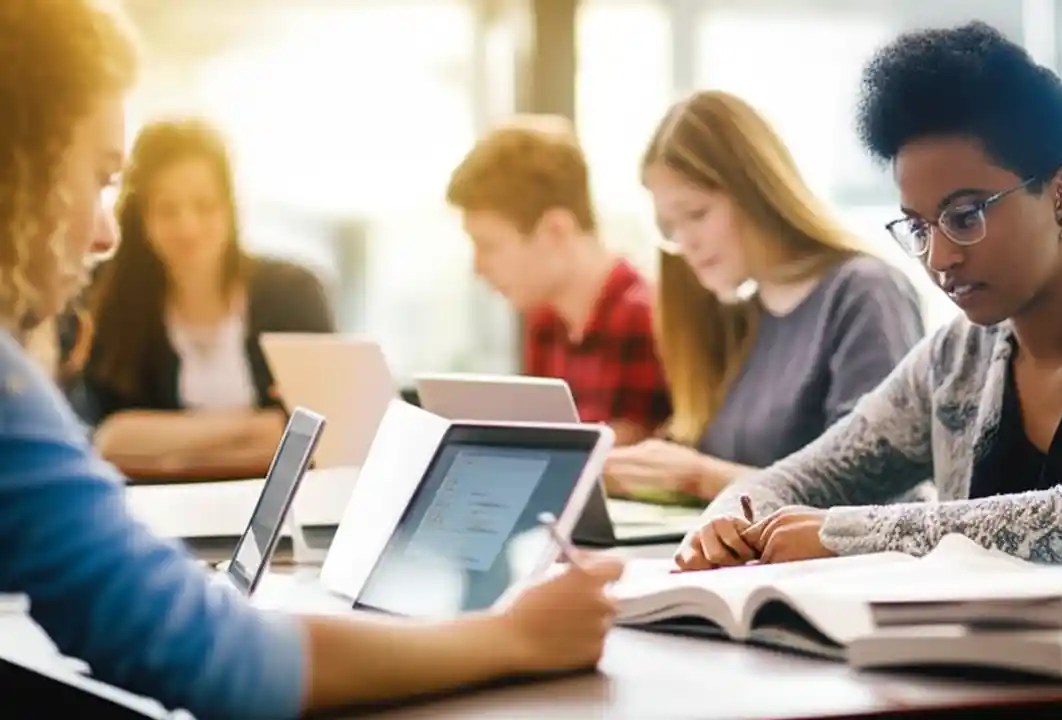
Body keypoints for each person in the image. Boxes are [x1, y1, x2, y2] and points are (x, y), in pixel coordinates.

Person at [0, 2, 622, 719]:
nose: (108, 234)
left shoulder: (282, 287)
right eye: (102, 177)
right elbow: (210, 655)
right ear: (21, 174)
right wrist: (514, 637)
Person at [675, 23, 1062, 616]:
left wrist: (840, 534)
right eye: (918, 226)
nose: (939, 257)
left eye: (965, 216)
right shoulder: (956, 359)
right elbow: (793, 480)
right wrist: (729, 521)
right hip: (1015, 667)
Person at [604, 90, 925, 504]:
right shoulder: (741, 316)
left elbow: (875, 493)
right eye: (670, 227)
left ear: (754, 192)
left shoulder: (862, 293)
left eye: (697, 214)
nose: (685, 243)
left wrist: (703, 478)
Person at [75, 118, 334, 477]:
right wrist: (254, 427)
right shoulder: (109, 302)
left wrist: (169, 450)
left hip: (286, 501)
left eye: (205, 205)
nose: (188, 227)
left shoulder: (293, 293)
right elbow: (109, 439)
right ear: (142, 217)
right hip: (155, 503)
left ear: (229, 207)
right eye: (167, 210)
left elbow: (325, 435)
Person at [445, 115, 670, 446]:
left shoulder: (647, 319)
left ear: (555, 231)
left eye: (489, 246)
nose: (478, 269)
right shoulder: (546, 324)